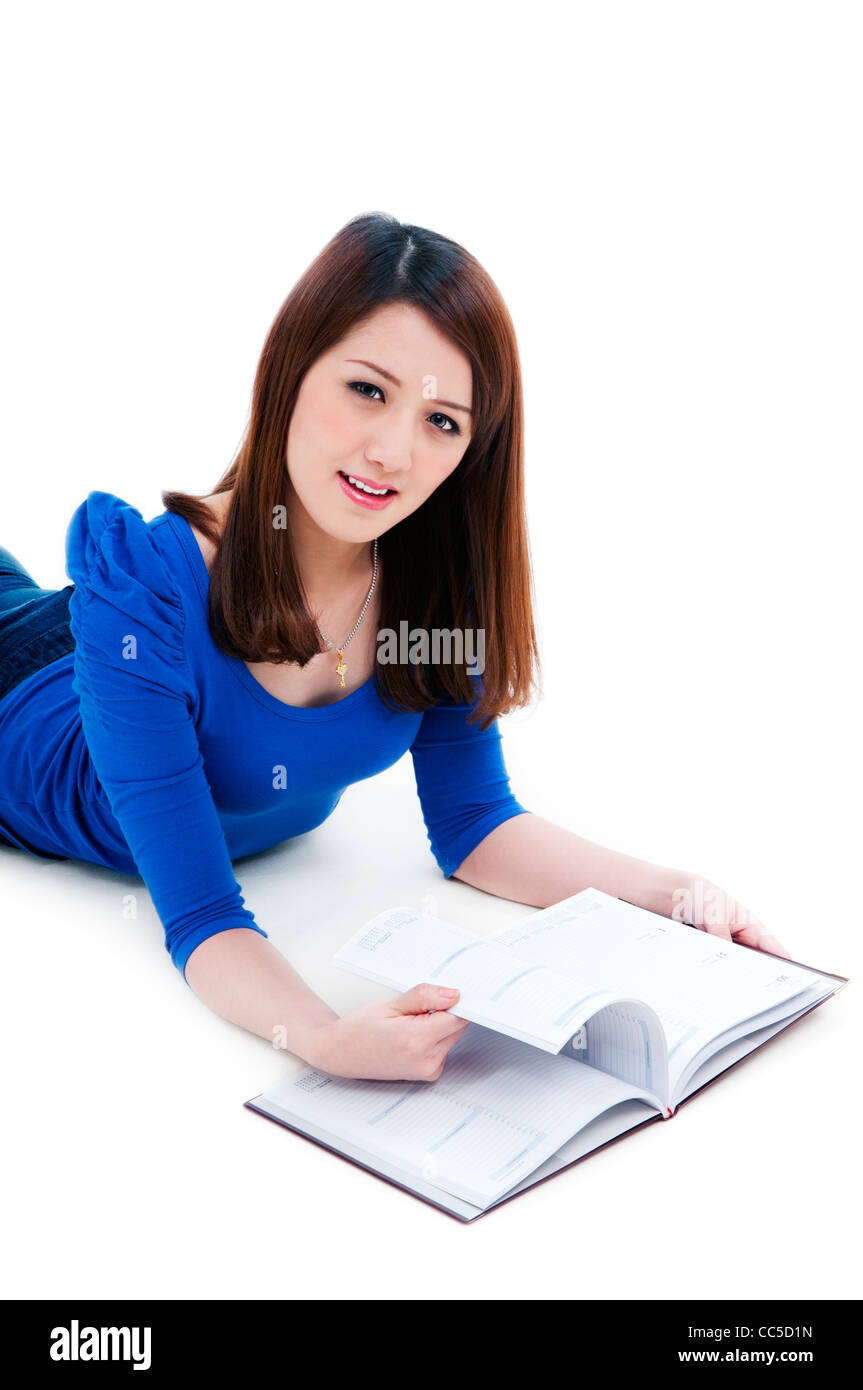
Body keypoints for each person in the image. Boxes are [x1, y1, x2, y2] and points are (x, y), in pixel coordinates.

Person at [0, 211, 790, 1084]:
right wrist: (320, 1037)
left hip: (81, 647)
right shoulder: (148, 586)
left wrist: (674, 895)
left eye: (442, 421)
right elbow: (199, 913)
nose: (391, 453)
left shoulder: (431, 588)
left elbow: (475, 825)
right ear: (289, 369)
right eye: (368, 390)